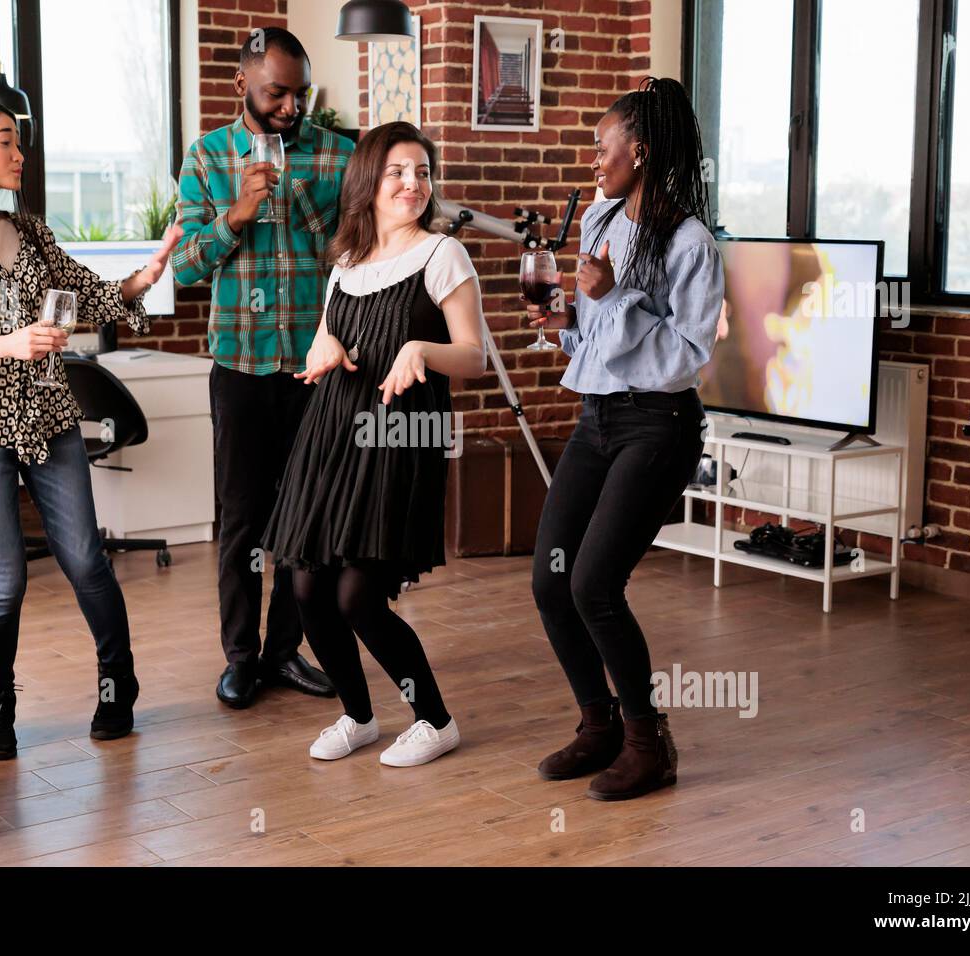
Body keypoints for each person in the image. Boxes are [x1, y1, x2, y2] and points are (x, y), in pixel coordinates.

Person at [0, 99, 179, 760]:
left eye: (21, 142)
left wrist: (143, 277)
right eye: (6, 142)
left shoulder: (33, 232)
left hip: (50, 420)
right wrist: (7, 343)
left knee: (84, 559)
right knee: (3, 580)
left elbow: (85, 292)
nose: (20, 153)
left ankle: (118, 684)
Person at [261, 122, 487, 767]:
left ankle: (435, 720)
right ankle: (358, 715)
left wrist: (420, 348)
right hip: (330, 435)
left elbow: (473, 357)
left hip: (398, 437)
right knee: (305, 587)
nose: (412, 184)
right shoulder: (347, 264)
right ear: (368, 181)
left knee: (358, 596)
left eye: (421, 171)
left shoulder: (443, 254)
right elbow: (319, 347)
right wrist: (323, 345)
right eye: (397, 172)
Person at [526, 77, 724, 800]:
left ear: (639, 151)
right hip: (598, 418)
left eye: (602, 147)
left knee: (594, 584)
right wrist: (567, 327)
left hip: (658, 424)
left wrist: (616, 298)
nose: (593, 160)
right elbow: (597, 334)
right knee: (551, 581)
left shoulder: (691, 242)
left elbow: (684, 354)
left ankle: (650, 743)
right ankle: (598, 725)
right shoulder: (601, 220)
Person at [172, 27, 353, 709]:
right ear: (241, 84)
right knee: (244, 519)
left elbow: (356, 250)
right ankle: (242, 658)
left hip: (315, 369)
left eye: (300, 93)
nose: (290, 105)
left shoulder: (337, 156)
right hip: (242, 368)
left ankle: (285, 652)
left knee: (305, 519)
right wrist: (239, 213)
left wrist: (300, 196)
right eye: (277, 91)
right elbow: (188, 268)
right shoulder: (207, 156)